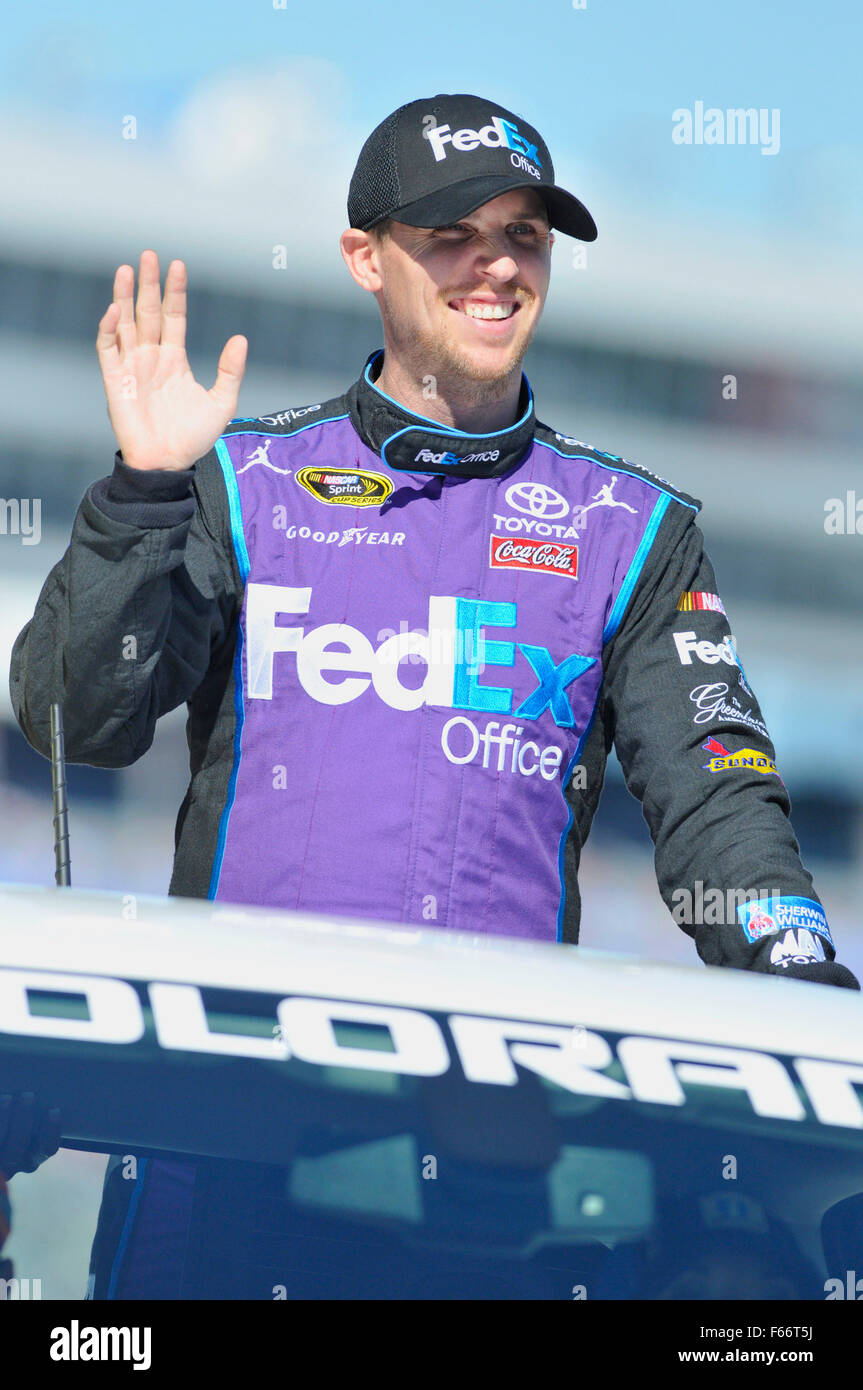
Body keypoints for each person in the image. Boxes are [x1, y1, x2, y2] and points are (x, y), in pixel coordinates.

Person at [9, 92, 858, 1299]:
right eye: (453, 234)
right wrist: (142, 494)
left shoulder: (632, 529)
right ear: (365, 259)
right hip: (220, 1168)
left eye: (522, 233)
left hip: (494, 1184)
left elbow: (723, 818)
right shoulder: (243, 481)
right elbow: (71, 720)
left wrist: (810, 1000)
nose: (495, 266)